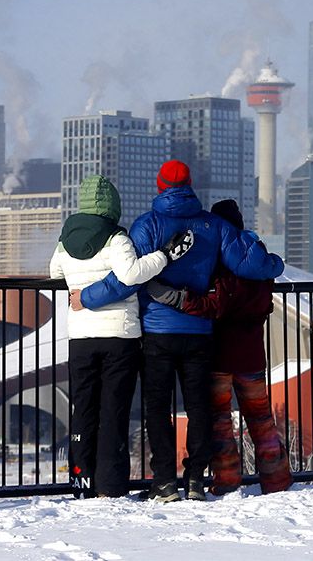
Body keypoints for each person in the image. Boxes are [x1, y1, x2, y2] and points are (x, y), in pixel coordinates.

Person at [73, 160, 285, 502]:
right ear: (190, 184)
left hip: (157, 332)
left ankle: (164, 482)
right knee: (199, 406)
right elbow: (250, 264)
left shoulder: (147, 225)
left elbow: (126, 279)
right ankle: (197, 478)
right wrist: (276, 263)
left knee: (157, 407)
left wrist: (87, 297)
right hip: (200, 332)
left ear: (159, 186)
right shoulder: (213, 225)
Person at [48, 174, 194, 499]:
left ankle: (80, 481)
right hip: (119, 337)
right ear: (113, 205)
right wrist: (163, 257)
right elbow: (129, 275)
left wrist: (79, 281)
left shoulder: (66, 240)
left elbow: (54, 272)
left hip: (81, 336)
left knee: (83, 408)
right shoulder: (117, 238)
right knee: (113, 410)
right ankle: (110, 486)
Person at [147, 198, 292, 496]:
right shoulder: (260, 263)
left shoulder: (224, 265)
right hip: (252, 355)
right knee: (262, 421)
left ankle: (226, 480)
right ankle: (277, 481)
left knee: (221, 422)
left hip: (221, 356)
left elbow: (215, 307)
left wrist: (180, 299)